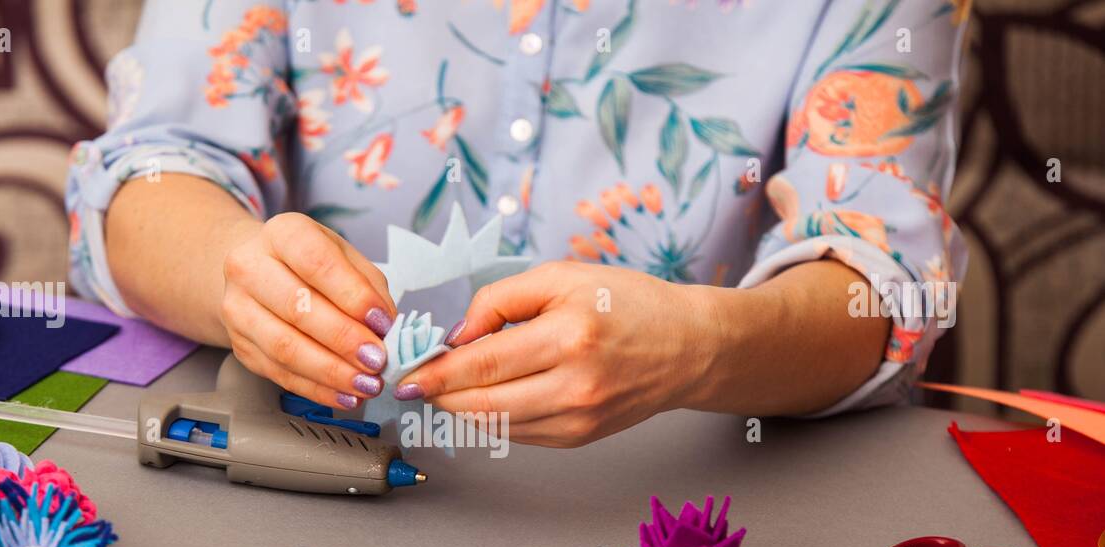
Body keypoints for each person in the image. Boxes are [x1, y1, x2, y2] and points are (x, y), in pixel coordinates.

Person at [67, 0, 969, 447]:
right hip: (296, 458)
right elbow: (151, 169)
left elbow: (884, 281)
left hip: (687, 510)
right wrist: (238, 271)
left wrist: (703, 344)